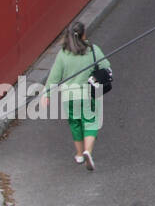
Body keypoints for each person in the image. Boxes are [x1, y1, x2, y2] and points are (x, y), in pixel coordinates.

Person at [40, 21, 110, 171]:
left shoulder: (63, 54)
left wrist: (47, 94)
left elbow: (54, 77)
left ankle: (79, 154)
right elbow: (106, 67)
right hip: (88, 94)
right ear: (84, 34)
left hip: (69, 97)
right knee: (91, 122)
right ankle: (88, 152)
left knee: (75, 124)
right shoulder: (93, 50)